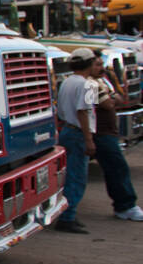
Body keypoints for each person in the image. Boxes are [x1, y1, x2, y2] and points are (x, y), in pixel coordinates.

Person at [87, 52, 143, 221]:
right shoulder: (89, 84)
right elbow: (108, 103)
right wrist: (112, 99)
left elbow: (118, 97)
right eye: (97, 64)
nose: (101, 68)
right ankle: (125, 206)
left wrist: (112, 99)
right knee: (117, 168)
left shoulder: (101, 81)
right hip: (101, 133)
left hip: (107, 132)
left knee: (117, 168)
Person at [54, 47, 98, 233]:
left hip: (66, 131)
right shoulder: (89, 85)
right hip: (78, 133)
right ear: (89, 65)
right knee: (77, 177)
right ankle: (67, 217)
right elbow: (83, 111)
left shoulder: (67, 82)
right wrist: (89, 139)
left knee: (68, 175)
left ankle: (68, 213)